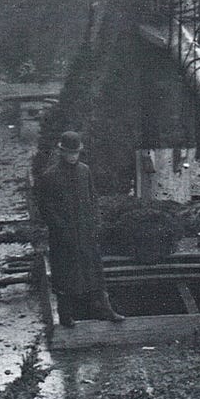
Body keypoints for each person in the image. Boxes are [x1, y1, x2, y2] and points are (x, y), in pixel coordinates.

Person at [36, 130, 125, 327]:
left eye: (75, 153)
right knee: (65, 274)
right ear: (61, 152)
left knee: (94, 271)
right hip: (64, 236)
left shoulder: (85, 171)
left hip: (86, 233)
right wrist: (61, 230)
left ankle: (105, 309)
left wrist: (95, 222)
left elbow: (93, 199)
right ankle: (65, 314)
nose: (72, 156)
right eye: (69, 152)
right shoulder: (50, 176)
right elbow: (45, 208)